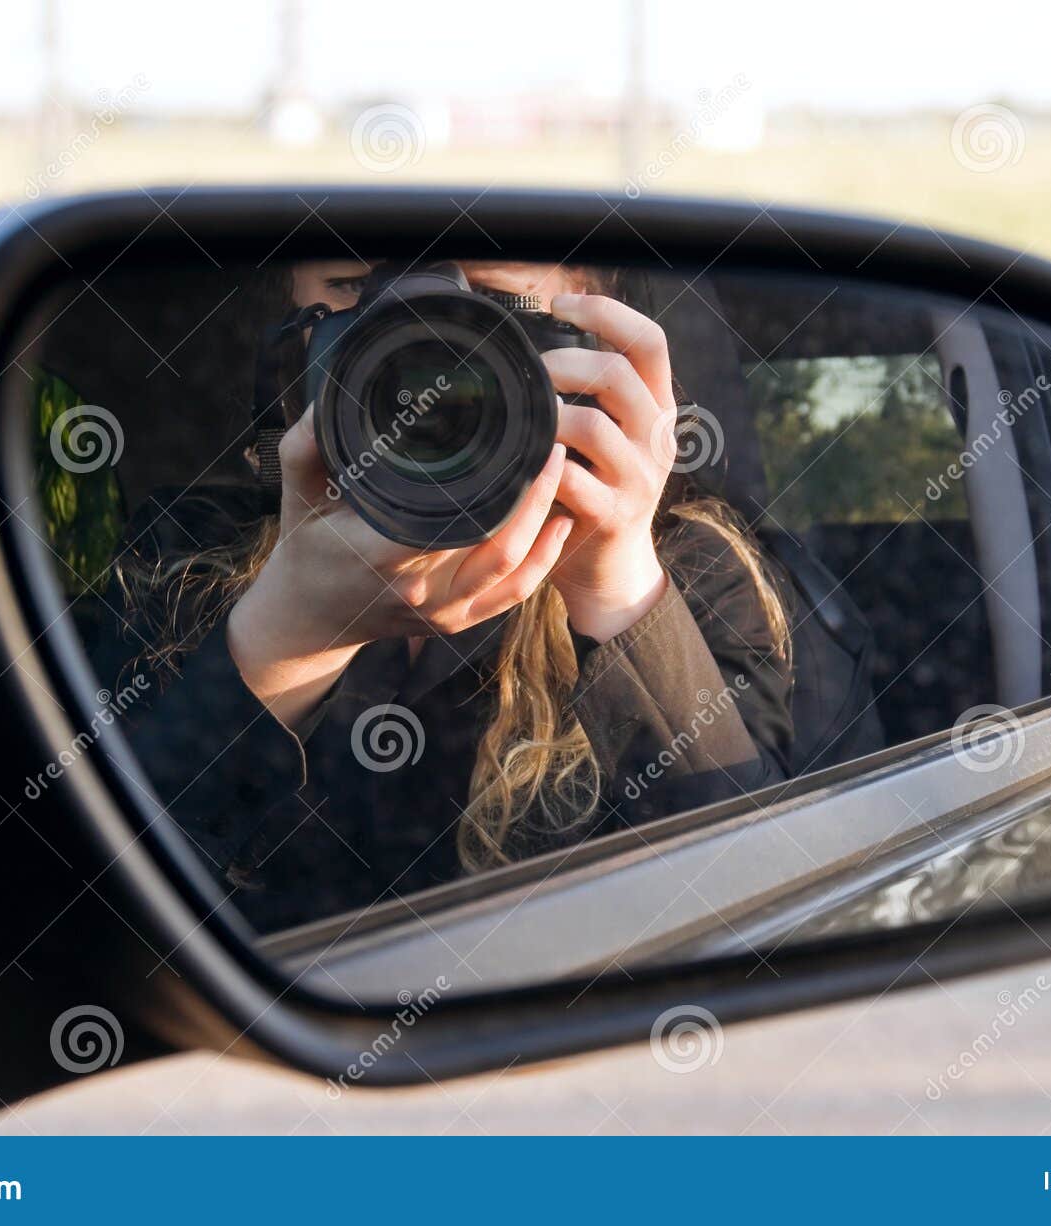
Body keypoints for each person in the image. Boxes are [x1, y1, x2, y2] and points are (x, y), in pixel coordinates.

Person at [90, 260, 796, 932]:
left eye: (487, 300)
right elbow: (89, 907)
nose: (428, 360)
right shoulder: (183, 548)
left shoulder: (690, 570)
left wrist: (613, 583)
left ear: (595, 326)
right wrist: (280, 639)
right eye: (359, 290)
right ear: (295, 322)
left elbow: (751, 904)